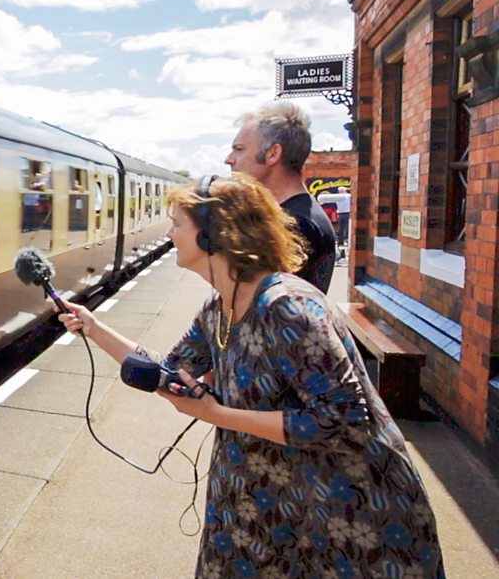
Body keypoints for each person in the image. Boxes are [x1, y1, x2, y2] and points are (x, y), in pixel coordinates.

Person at [57, 172, 444, 578]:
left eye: (178, 223)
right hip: (264, 507)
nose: (169, 231)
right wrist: (93, 327)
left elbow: (344, 420)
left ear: (214, 234)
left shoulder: (287, 306)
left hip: (343, 515)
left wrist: (217, 414)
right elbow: (170, 372)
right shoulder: (218, 308)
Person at [225, 101, 336, 293]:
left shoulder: (295, 225)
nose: (229, 159)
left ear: (273, 154)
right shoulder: (298, 216)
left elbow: (251, 298)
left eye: (239, 149)